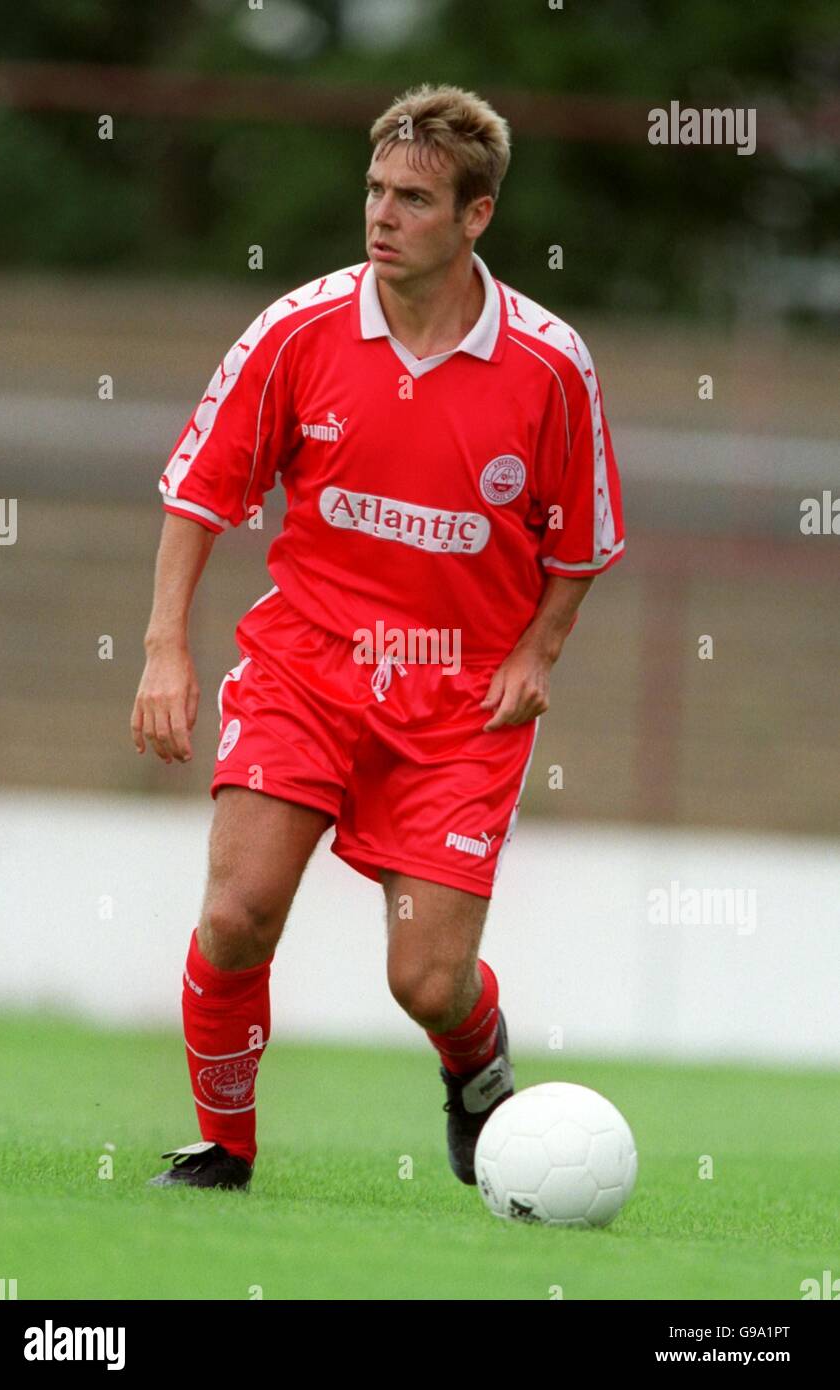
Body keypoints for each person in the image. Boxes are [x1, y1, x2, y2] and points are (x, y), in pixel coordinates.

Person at [131, 82, 625, 1192]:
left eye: (412, 197)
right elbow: (199, 493)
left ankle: (474, 1065)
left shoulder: (550, 365)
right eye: (373, 189)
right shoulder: (298, 331)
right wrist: (165, 646)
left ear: (475, 216)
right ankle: (224, 1148)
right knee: (238, 909)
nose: (381, 214)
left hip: (457, 705)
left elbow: (582, 541)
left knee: (425, 978)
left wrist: (535, 655)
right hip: (306, 666)